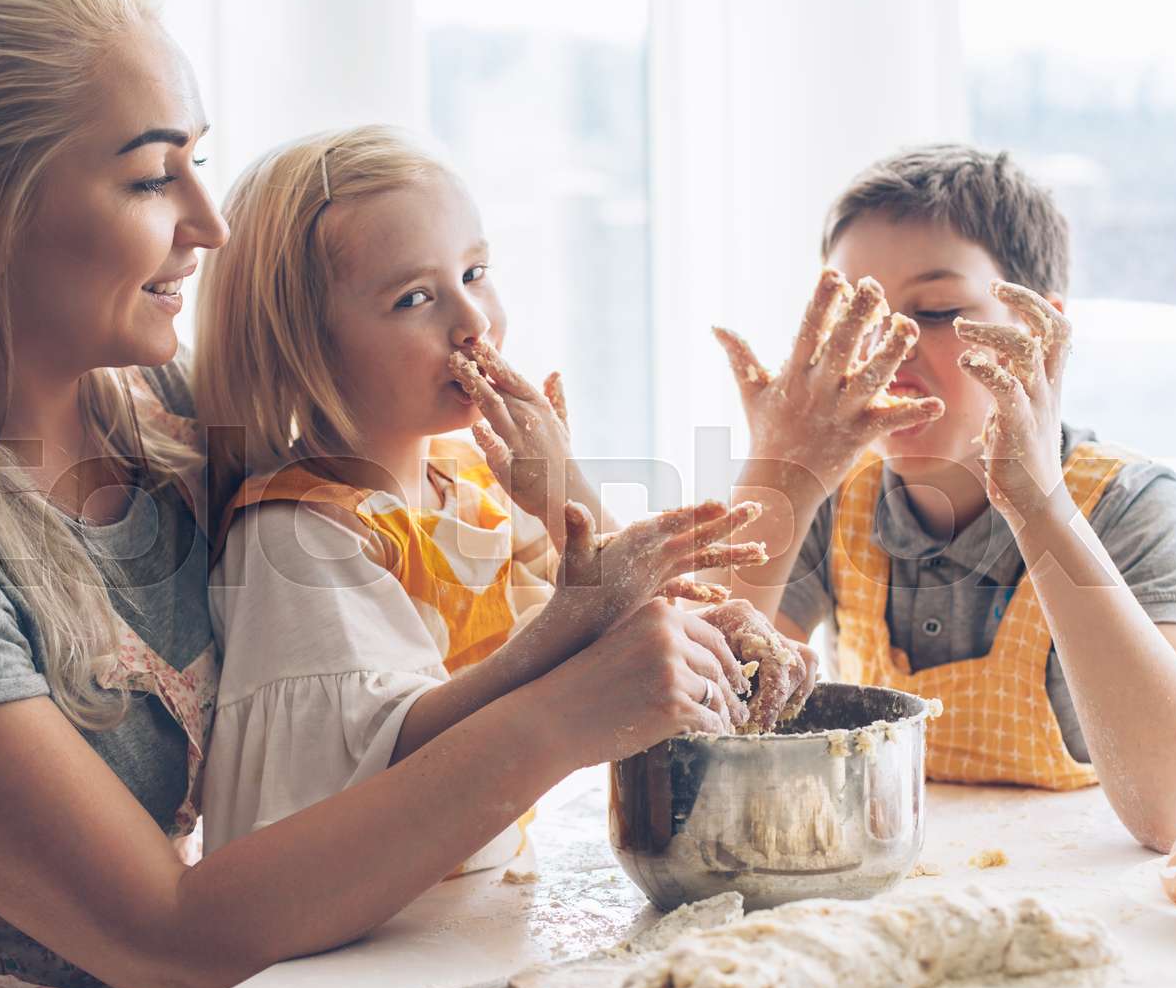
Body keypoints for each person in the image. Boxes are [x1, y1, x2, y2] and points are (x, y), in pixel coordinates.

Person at [0, 0, 771, 988]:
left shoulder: (168, 418)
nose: (211, 223)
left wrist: (611, 549)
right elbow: (171, 938)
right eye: (149, 178)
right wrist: (566, 711)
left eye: (199, 160)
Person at [193, 125, 813, 857]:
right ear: (301, 346)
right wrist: (575, 615)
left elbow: (623, 609)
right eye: (414, 297)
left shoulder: (475, 484)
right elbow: (374, 761)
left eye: (476, 271)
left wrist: (563, 496)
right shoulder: (297, 531)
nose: (473, 322)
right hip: (359, 935)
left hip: (470, 900)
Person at [714, 144, 1176, 851]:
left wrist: (1039, 503)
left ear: (1040, 333)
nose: (887, 351)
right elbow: (701, 727)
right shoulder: (836, 496)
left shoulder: (1130, 505)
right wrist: (779, 475)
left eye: (934, 310)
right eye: (856, 317)